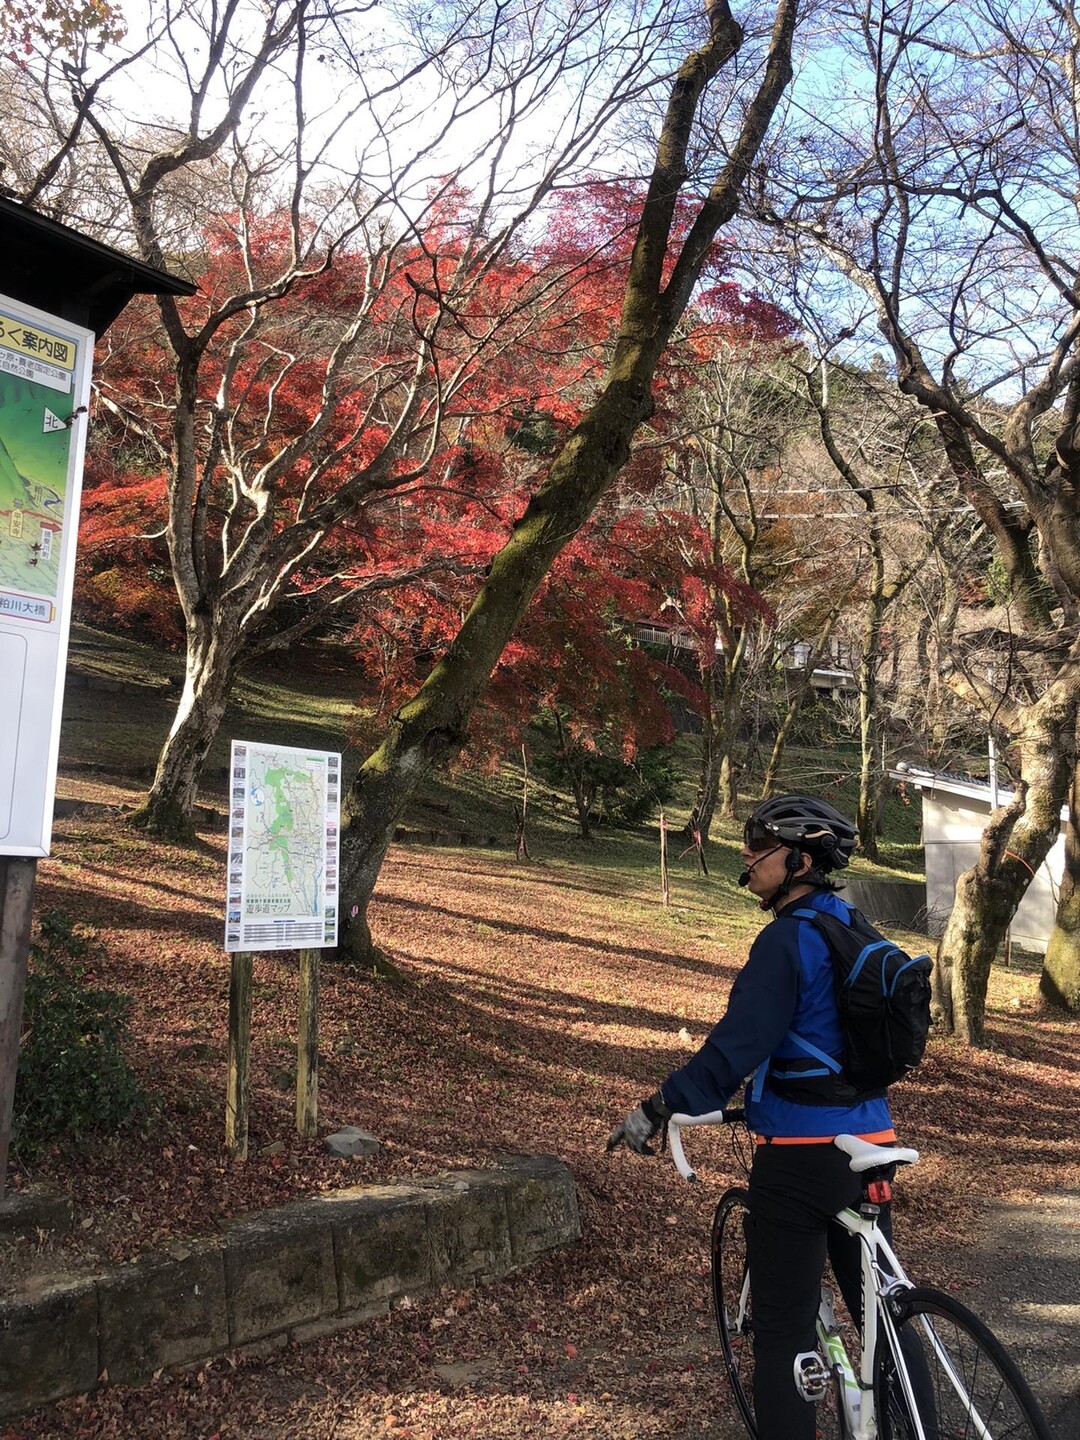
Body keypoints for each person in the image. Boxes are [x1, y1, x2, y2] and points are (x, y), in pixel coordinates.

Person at [608, 793, 905, 1440]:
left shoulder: (787, 940)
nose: (746, 855)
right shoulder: (855, 926)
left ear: (800, 860)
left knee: (783, 1329)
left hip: (801, 1156)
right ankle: (918, 1420)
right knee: (884, 1318)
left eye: (760, 846)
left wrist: (658, 1107)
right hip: (873, 1141)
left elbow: (735, 1049)